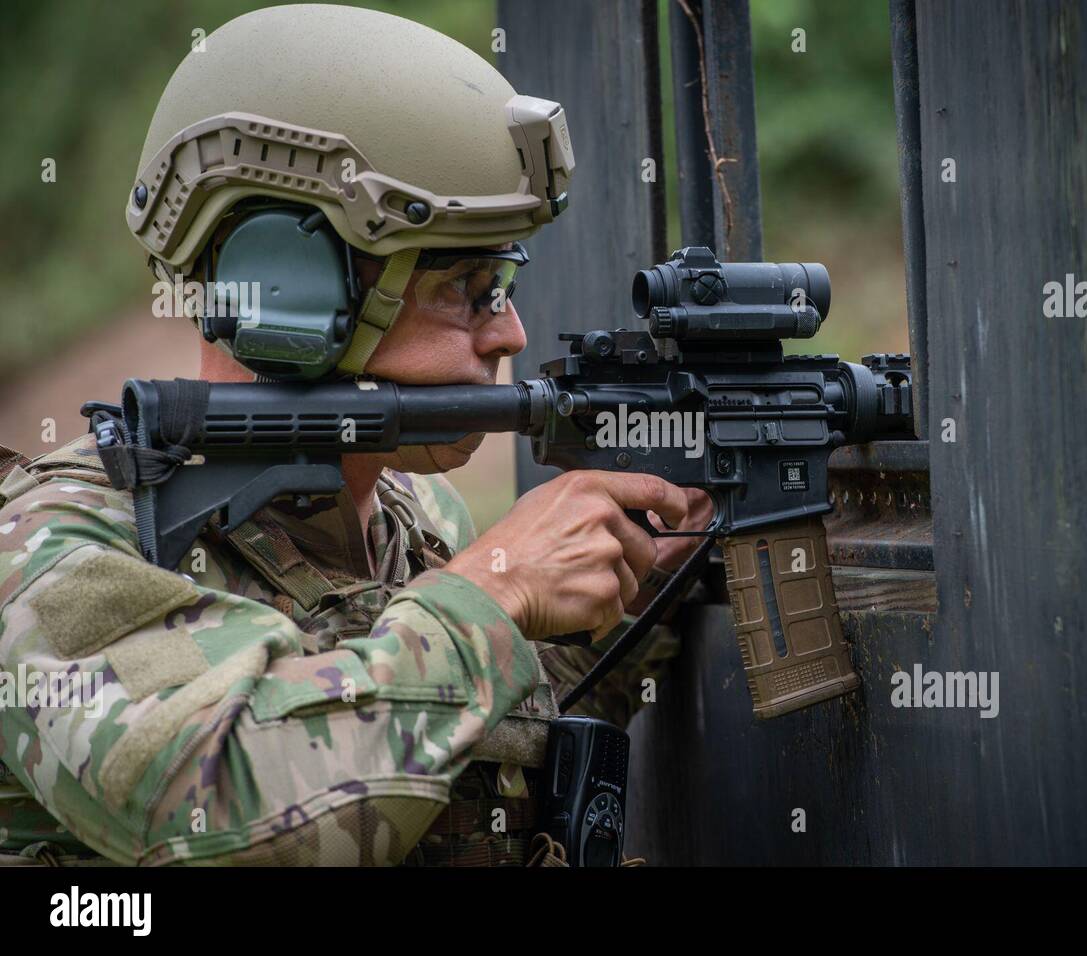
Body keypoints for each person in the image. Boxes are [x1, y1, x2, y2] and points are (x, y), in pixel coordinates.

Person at [0, 4, 710, 867]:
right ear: (289, 289)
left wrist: (623, 604)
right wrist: (490, 592)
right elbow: (216, 808)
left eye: (505, 280)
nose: (510, 334)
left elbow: (471, 766)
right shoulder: (57, 550)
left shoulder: (417, 517)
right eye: (465, 285)